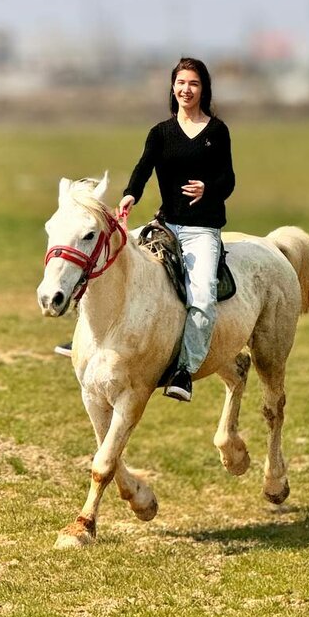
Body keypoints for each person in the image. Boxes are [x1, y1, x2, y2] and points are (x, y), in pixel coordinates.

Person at [54, 57, 235, 405]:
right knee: (102, 258)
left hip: (202, 230)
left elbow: (228, 179)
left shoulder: (217, 132)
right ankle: (81, 341)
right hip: (164, 224)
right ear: (173, 87)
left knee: (202, 297)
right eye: (181, 82)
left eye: (194, 83)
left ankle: (184, 369)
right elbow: (143, 168)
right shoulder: (161, 133)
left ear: (203, 89)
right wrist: (128, 196)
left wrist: (207, 190)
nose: (187, 89)